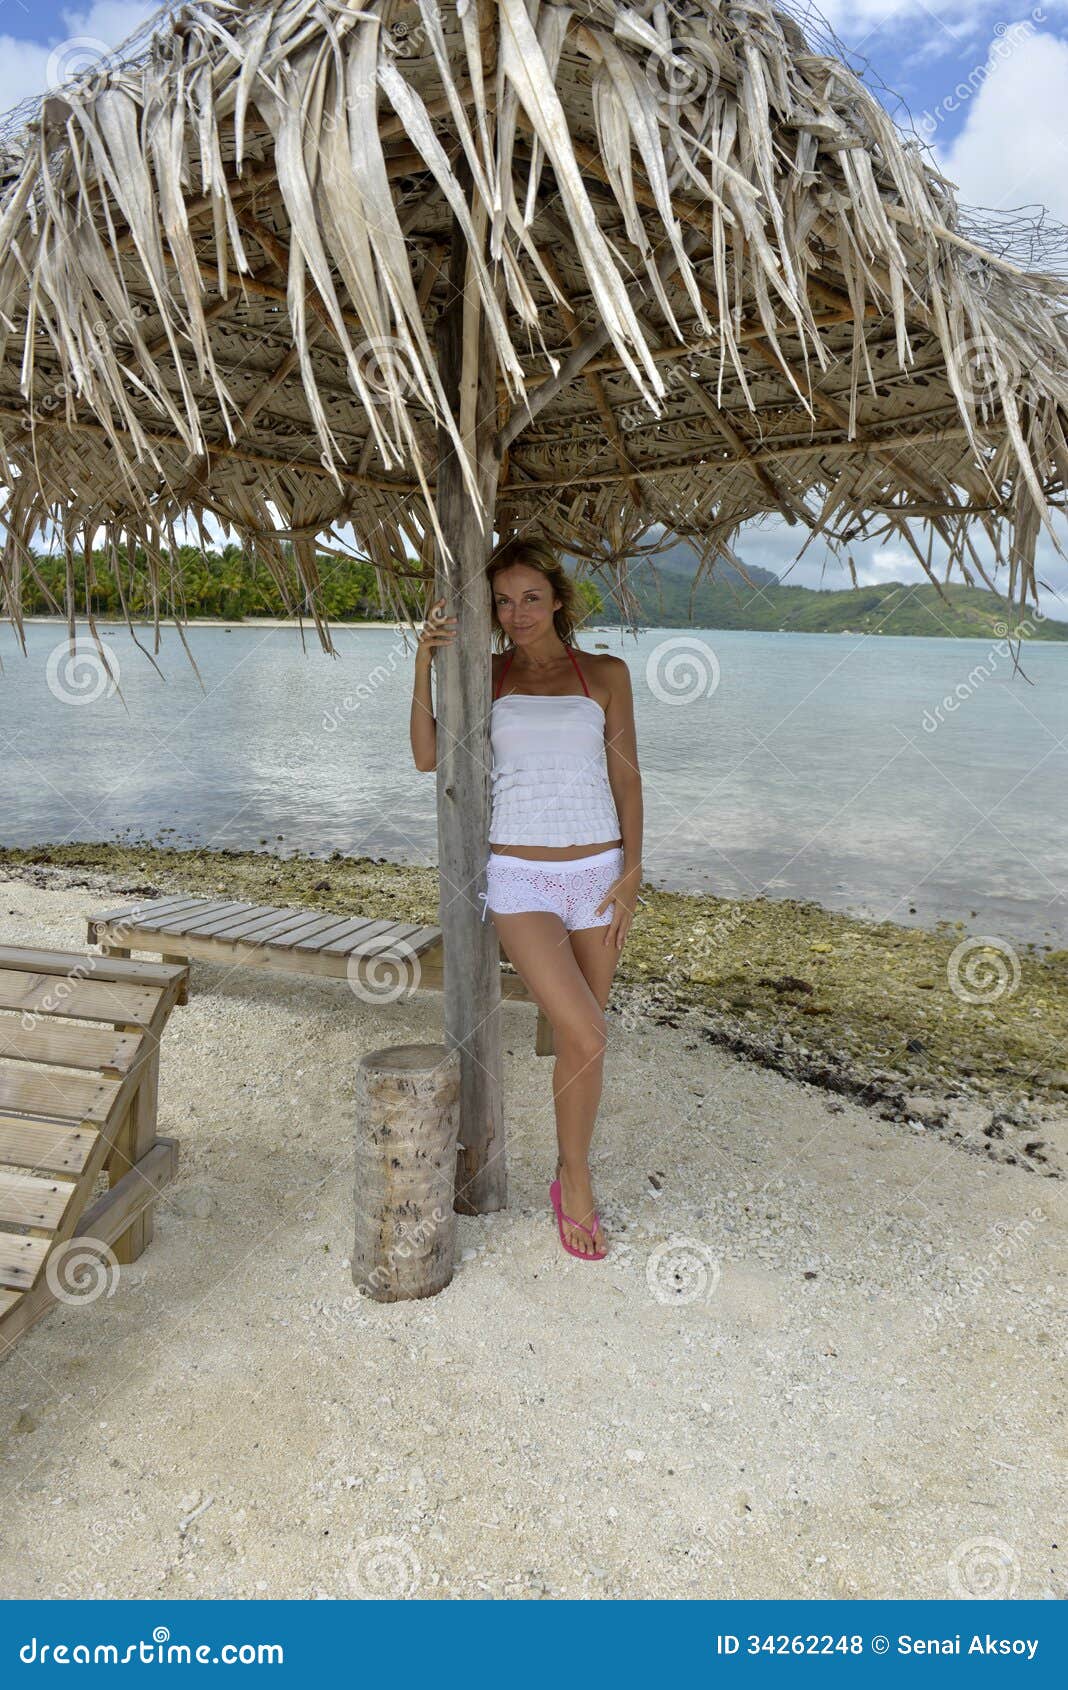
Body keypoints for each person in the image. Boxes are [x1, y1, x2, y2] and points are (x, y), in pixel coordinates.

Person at [410, 534, 643, 1260]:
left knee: (582, 1040)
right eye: (504, 602)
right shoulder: (486, 677)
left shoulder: (606, 673)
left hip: (599, 876)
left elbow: (628, 778)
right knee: (589, 1030)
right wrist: (423, 659)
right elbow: (427, 754)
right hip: (519, 876)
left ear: (558, 599)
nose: (517, 614)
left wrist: (633, 870)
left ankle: (571, 1170)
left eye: (531, 598)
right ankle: (575, 1183)